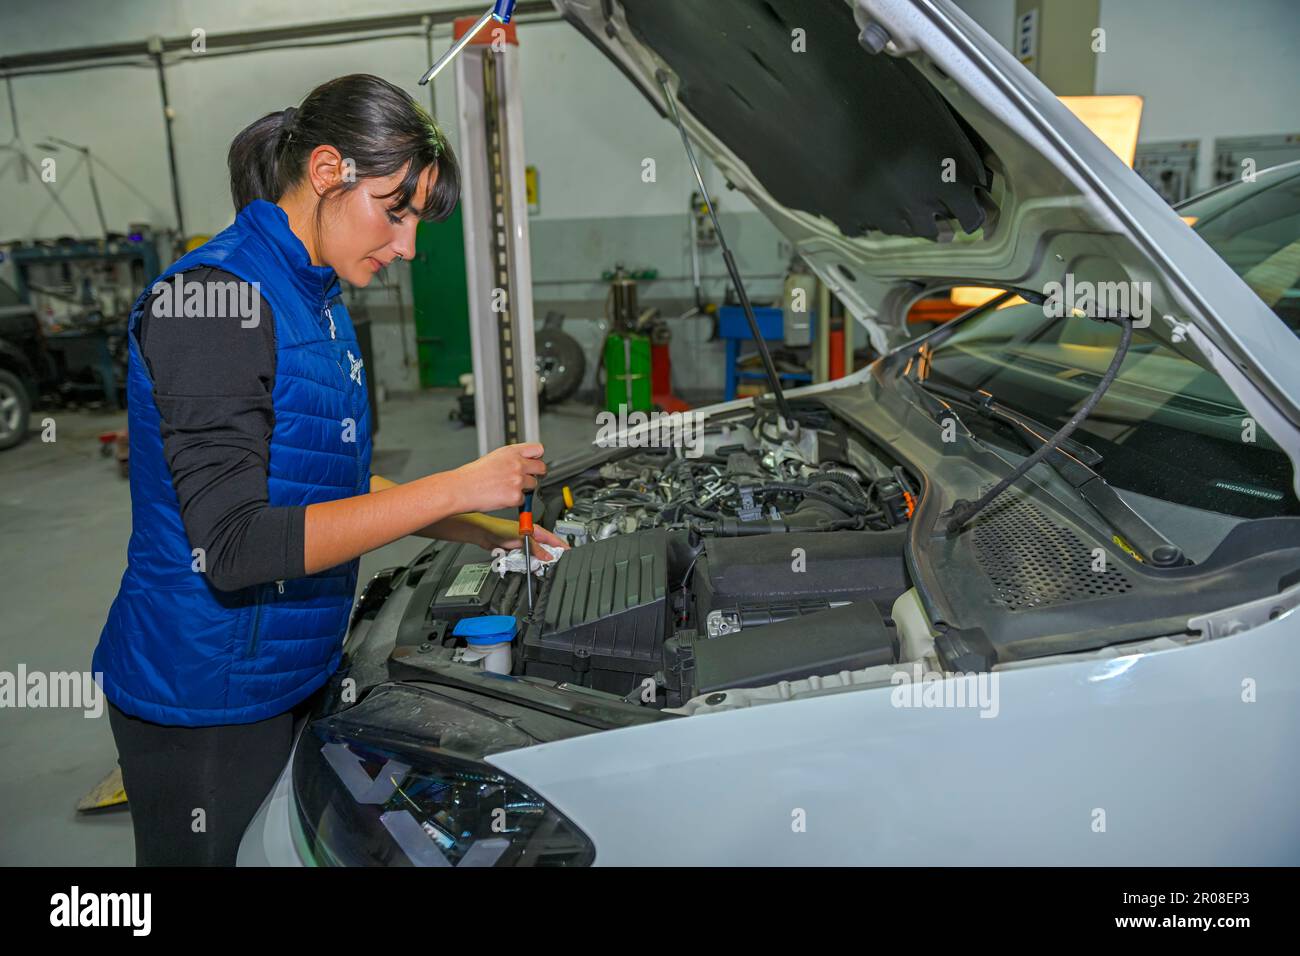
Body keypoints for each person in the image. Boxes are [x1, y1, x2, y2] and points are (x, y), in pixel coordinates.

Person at [92, 73, 566, 866]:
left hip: (290, 667)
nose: (408, 245)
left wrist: (487, 530)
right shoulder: (213, 304)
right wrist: (460, 482)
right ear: (325, 172)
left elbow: (340, 494)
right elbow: (236, 547)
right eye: (396, 209)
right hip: (207, 694)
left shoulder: (316, 302)